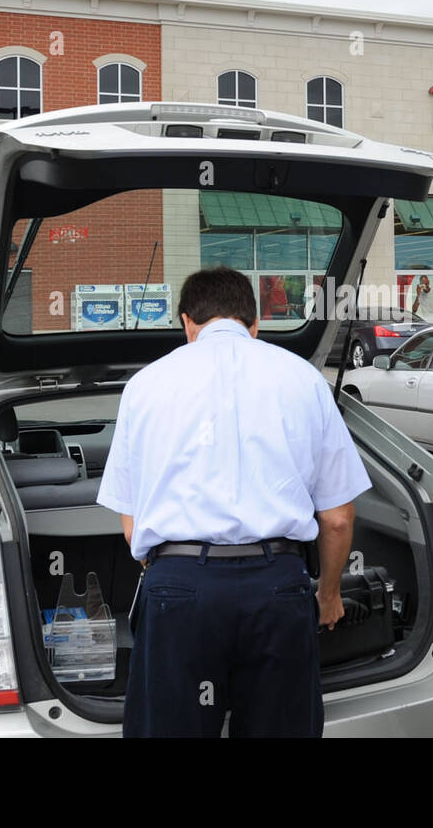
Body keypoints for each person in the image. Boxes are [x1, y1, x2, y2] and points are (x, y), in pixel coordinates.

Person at [97, 266, 369, 738]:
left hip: (179, 590)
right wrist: (326, 595)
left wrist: (171, 576)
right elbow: (338, 519)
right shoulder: (303, 379)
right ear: (254, 324)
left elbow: (130, 520)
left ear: (187, 324)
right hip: (278, 589)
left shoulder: (146, 384)